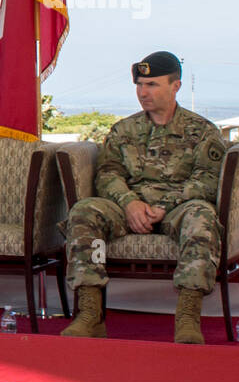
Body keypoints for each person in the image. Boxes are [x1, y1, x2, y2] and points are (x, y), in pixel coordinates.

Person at [62, 51, 227, 344]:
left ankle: (188, 317)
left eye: (152, 84)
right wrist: (129, 204)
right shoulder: (124, 130)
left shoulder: (202, 132)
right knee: (85, 211)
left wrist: (164, 207)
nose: (143, 92)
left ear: (175, 86)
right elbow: (108, 173)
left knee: (202, 217)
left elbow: (207, 180)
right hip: (130, 208)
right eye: (139, 85)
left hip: (179, 209)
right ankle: (90, 314)